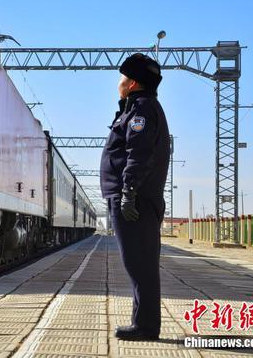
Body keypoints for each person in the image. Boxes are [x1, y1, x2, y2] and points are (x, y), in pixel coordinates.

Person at [100, 53, 170, 341]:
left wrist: (128, 192)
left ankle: (146, 326)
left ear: (133, 83)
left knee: (139, 263)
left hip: (135, 200)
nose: (119, 82)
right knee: (139, 263)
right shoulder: (139, 108)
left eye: (123, 77)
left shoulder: (141, 111)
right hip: (137, 197)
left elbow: (137, 153)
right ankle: (142, 322)